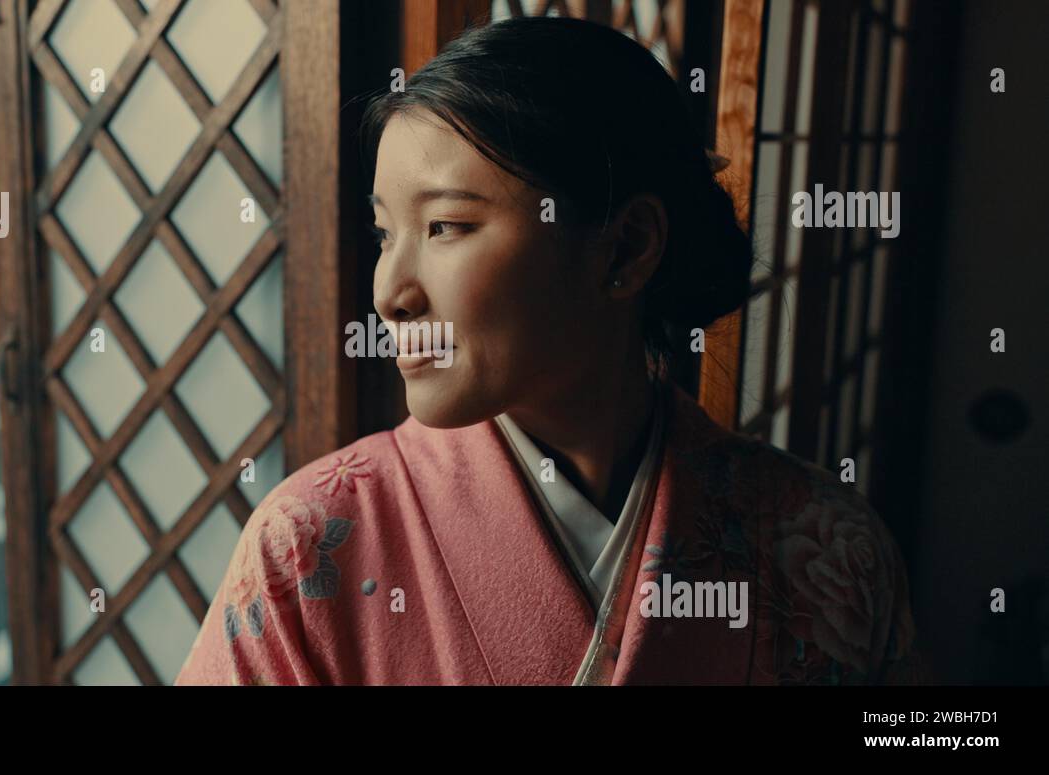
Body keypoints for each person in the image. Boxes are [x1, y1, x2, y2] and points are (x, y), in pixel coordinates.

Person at [175, 17, 922, 685]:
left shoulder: (827, 545)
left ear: (625, 248)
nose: (389, 292)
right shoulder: (308, 546)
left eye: (446, 227)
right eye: (384, 233)